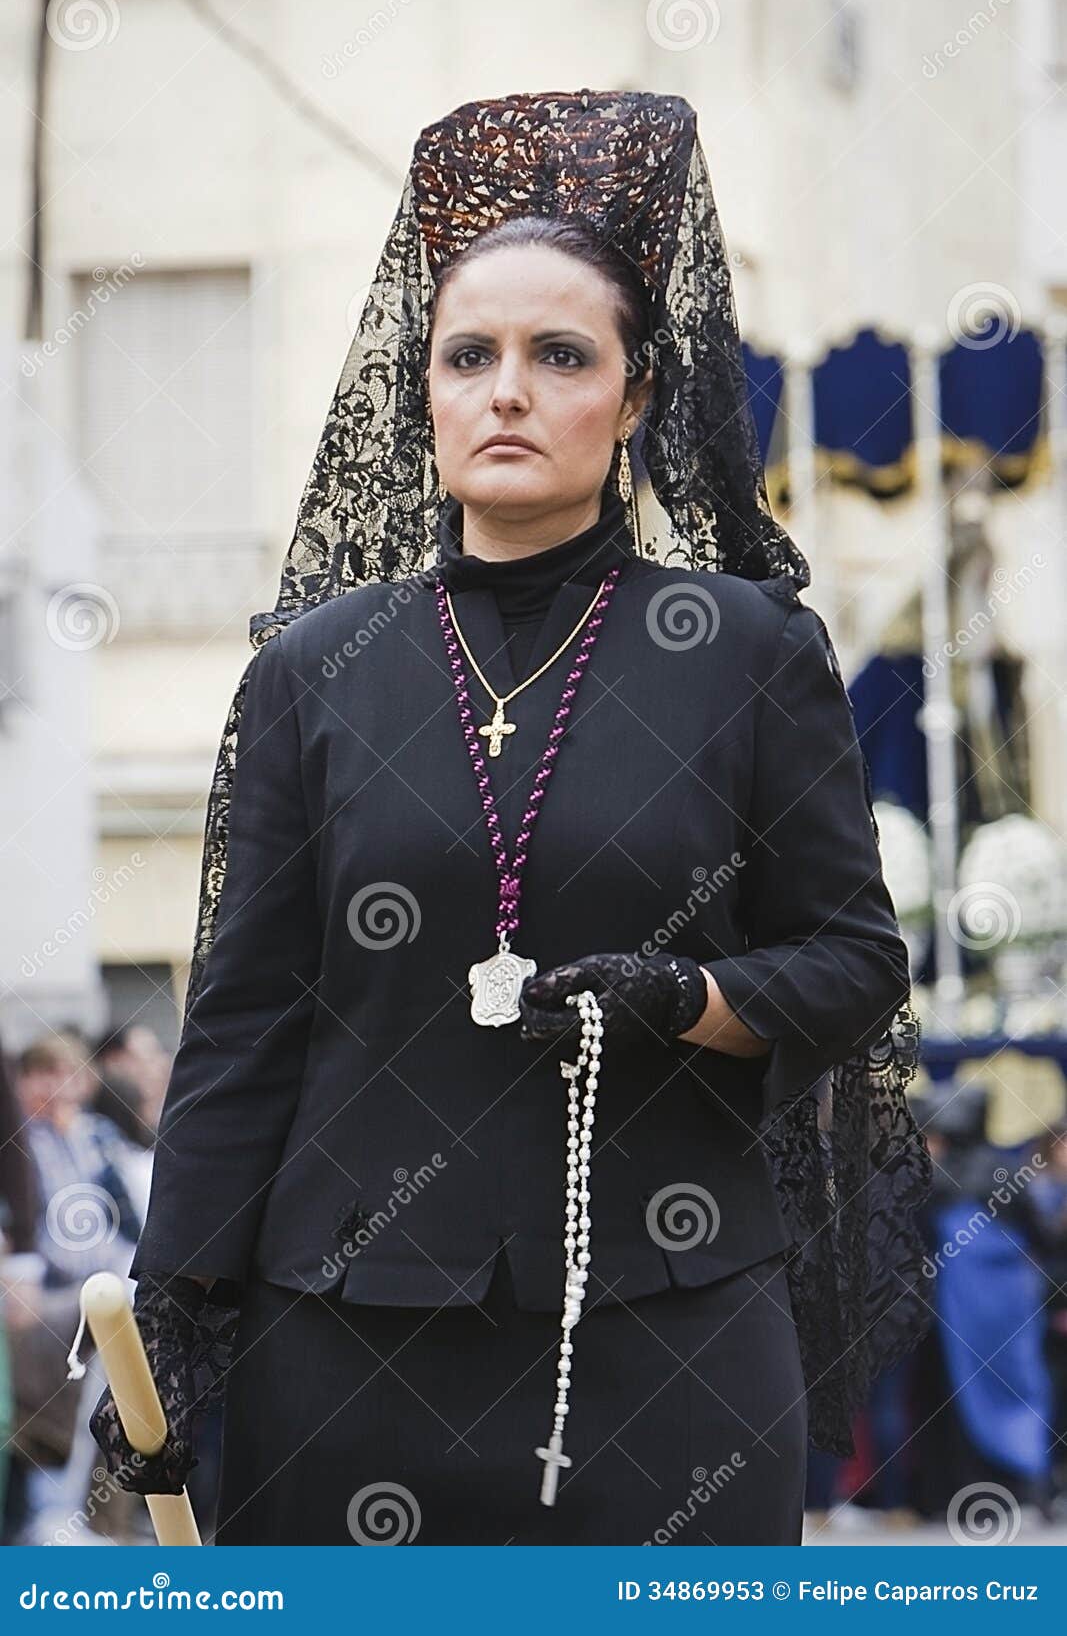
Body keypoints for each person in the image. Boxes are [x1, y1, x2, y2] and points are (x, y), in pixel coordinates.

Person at [88, 89, 931, 1545]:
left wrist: (688, 998)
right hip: (344, 1344)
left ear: (638, 396)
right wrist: (178, 1296)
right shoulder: (314, 667)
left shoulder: (747, 648)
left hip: (667, 1339)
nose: (508, 392)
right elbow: (244, 1022)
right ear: (420, 390)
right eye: (468, 355)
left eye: (561, 355)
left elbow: (856, 963)